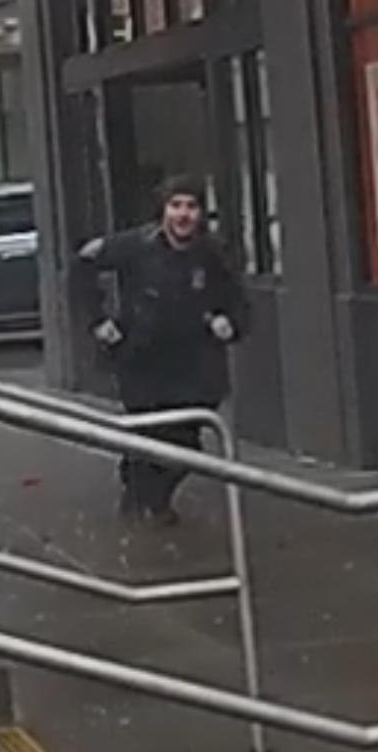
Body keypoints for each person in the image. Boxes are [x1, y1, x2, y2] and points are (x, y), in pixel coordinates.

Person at [72, 175, 247, 527]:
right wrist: (98, 320)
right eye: (176, 205)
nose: (183, 215)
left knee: (185, 445)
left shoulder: (212, 253)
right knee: (148, 434)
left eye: (191, 206)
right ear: (164, 210)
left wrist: (229, 323)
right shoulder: (136, 245)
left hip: (193, 365)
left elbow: (237, 300)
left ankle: (153, 497)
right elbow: (82, 266)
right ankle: (142, 503)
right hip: (143, 360)